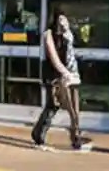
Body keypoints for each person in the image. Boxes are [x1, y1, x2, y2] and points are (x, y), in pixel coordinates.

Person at [31, 10, 83, 151]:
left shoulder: (67, 35)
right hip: (53, 73)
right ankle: (38, 134)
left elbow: (73, 49)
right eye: (60, 19)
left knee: (74, 107)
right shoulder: (48, 34)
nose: (62, 22)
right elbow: (53, 57)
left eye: (64, 19)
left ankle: (75, 136)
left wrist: (68, 31)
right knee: (55, 104)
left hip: (69, 73)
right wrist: (65, 72)